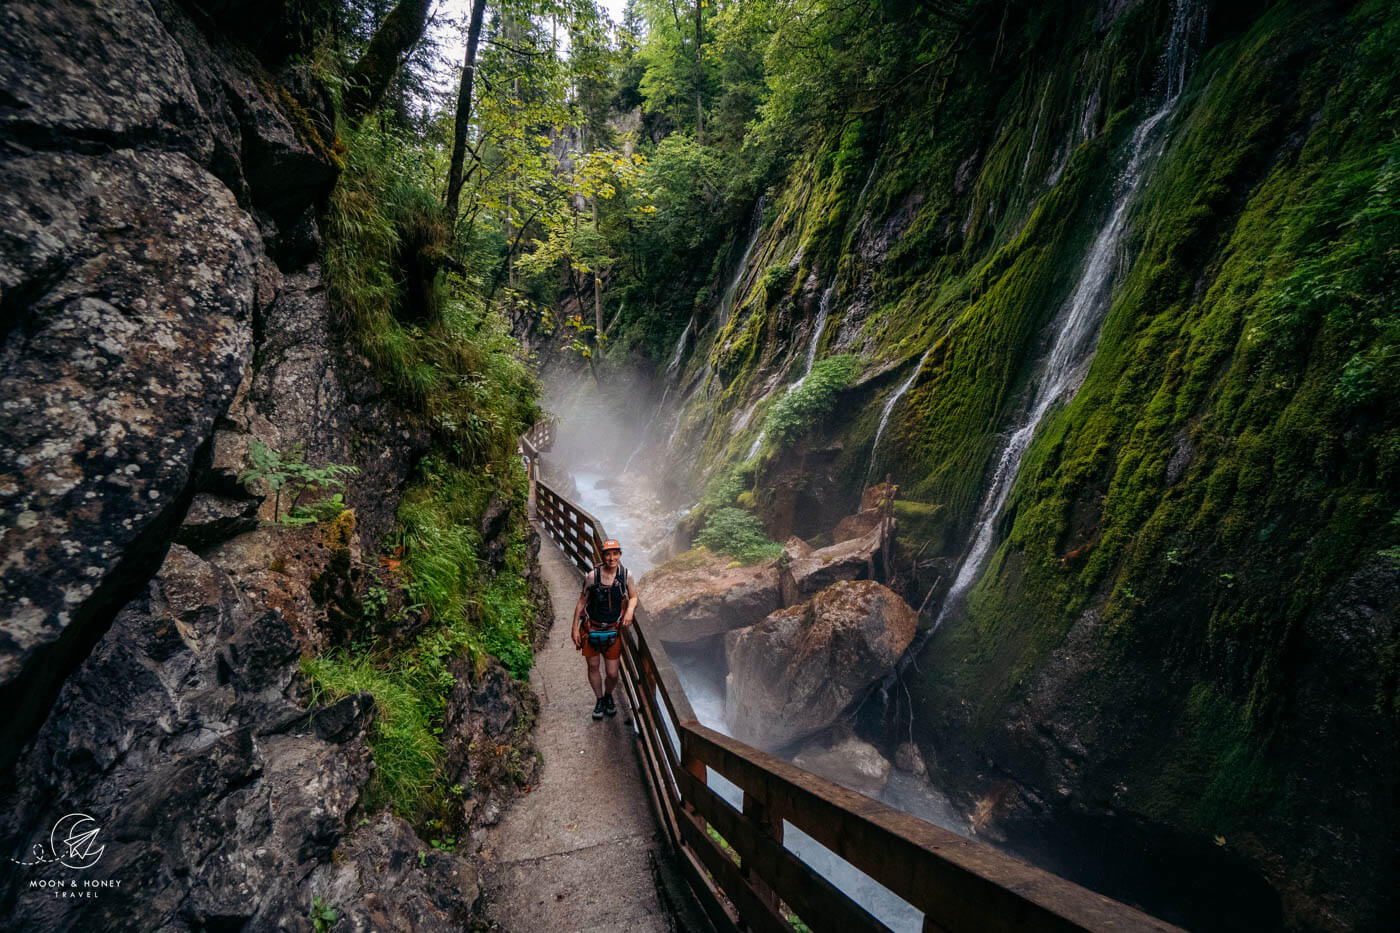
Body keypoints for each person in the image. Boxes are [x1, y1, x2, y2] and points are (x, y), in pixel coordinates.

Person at [571, 538, 638, 720]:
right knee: (593, 666)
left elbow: (633, 596)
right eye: (608, 554)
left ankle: (608, 695)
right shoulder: (593, 576)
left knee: (612, 673)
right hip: (591, 627)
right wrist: (575, 628)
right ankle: (600, 699)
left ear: (619, 555)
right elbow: (582, 601)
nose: (611, 558)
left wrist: (630, 611)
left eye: (615, 554)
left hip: (612, 630)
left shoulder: (626, 575)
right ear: (603, 556)